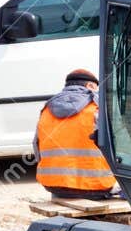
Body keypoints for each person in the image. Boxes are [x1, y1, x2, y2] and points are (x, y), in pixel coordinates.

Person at [33, 68, 115, 200]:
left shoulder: (47, 109)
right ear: (90, 86)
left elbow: (36, 146)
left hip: (54, 186)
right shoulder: (96, 108)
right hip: (95, 187)